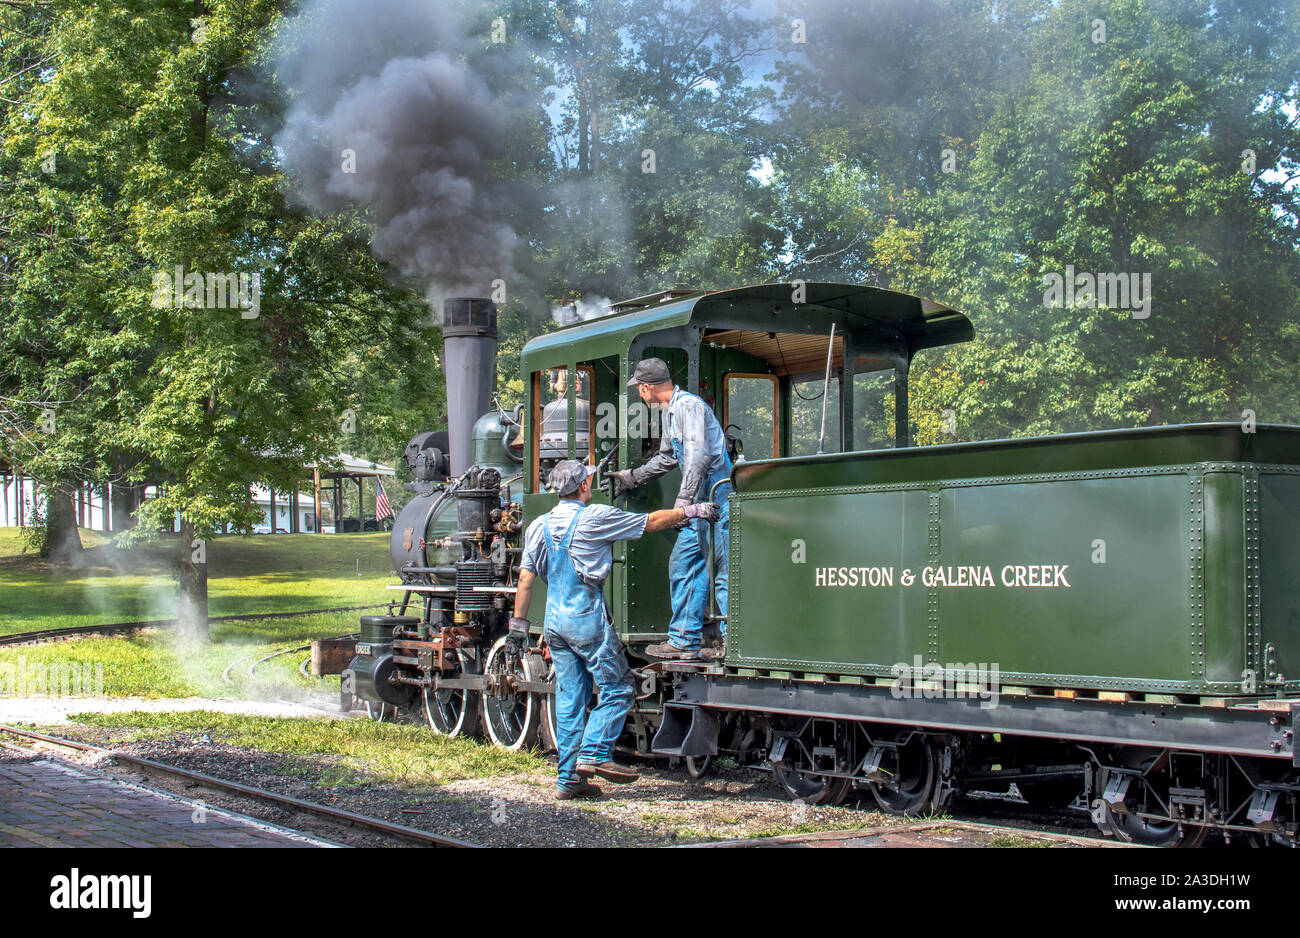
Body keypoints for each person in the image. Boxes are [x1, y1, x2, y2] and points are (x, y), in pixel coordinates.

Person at [512, 458, 717, 800]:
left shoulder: (539, 526)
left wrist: (518, 625)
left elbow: (525, 578)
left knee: (570, 698)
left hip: (554, 623)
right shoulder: (595, 517)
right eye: (587, 480)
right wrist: (692, 511)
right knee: (618, 688)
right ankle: (594, 752)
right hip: (586, 618)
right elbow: (650, 522)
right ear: (582, 487)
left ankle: (568, 780)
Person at [610, 357, 732, 660]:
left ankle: (735, 643)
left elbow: (697, 458)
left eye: (639, 388)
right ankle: (683, 640)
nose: (639, 393)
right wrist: (632, 477)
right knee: (684, 565)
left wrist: (682, 503)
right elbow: (667, 457)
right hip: (699, 505)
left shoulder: (689, 407)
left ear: (649, 387)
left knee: (723, 573)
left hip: (718, 501)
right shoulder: (672, 411)